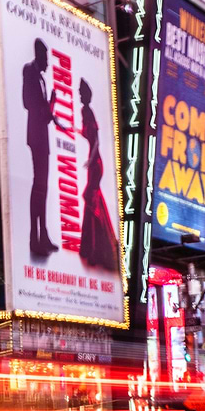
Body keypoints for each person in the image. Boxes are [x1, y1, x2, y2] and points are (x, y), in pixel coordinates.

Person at [78, 79, 119, 271]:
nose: (78, 94)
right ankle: (94, 248)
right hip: (94, 161)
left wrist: (91, 159)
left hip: (96, 163)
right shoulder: (84, 111)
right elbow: (89, 136)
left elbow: (96, 143)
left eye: (80, 91)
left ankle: (97, 251)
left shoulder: (87, 111)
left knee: (92, 201)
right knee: (93, 202)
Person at [22, 39, 58, 257]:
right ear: (39, 55)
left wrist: (50, 105)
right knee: (39, 186)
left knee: (43, 187)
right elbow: (29, 103)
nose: (48, 63)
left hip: (42, 136)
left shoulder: (41, 77)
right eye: (45, 58)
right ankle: (35, 238)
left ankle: (43, 234)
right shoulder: (30, 71)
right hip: (36, 136)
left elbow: (45, 114)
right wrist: (47, 107)